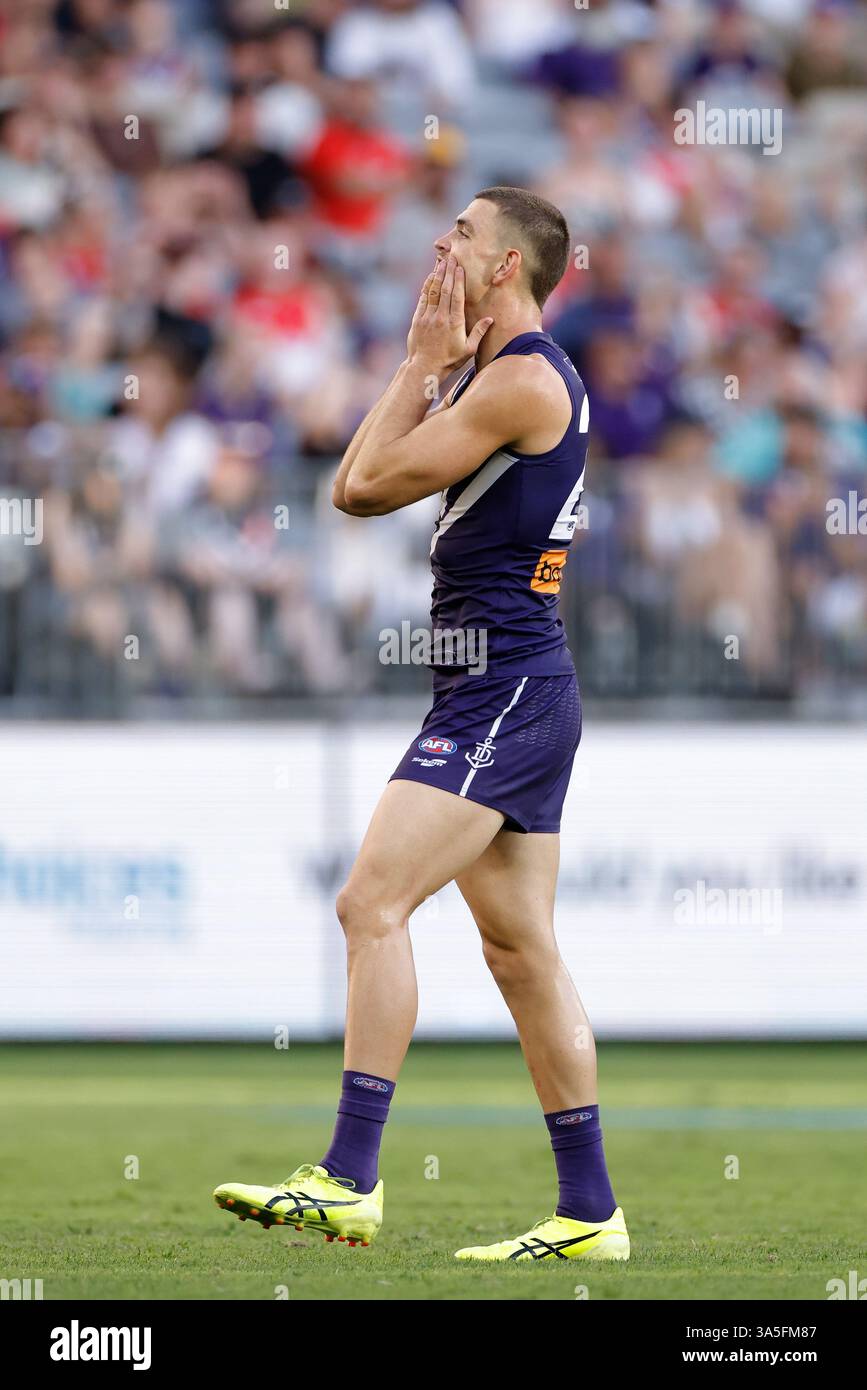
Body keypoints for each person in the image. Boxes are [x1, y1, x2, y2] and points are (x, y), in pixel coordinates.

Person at [214, 186, 630, 1263]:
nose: (440, 243)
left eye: (462, 234)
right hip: (501, 687)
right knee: (521, 951)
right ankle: (591, 1213)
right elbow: (357, 481)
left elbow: (360, 489)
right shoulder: (498, 375)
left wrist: (414, 365)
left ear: (505, 270)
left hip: (504, 690)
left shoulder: (523, 378)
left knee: (369, 901)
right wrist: (430, 367)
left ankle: (350, 1176)